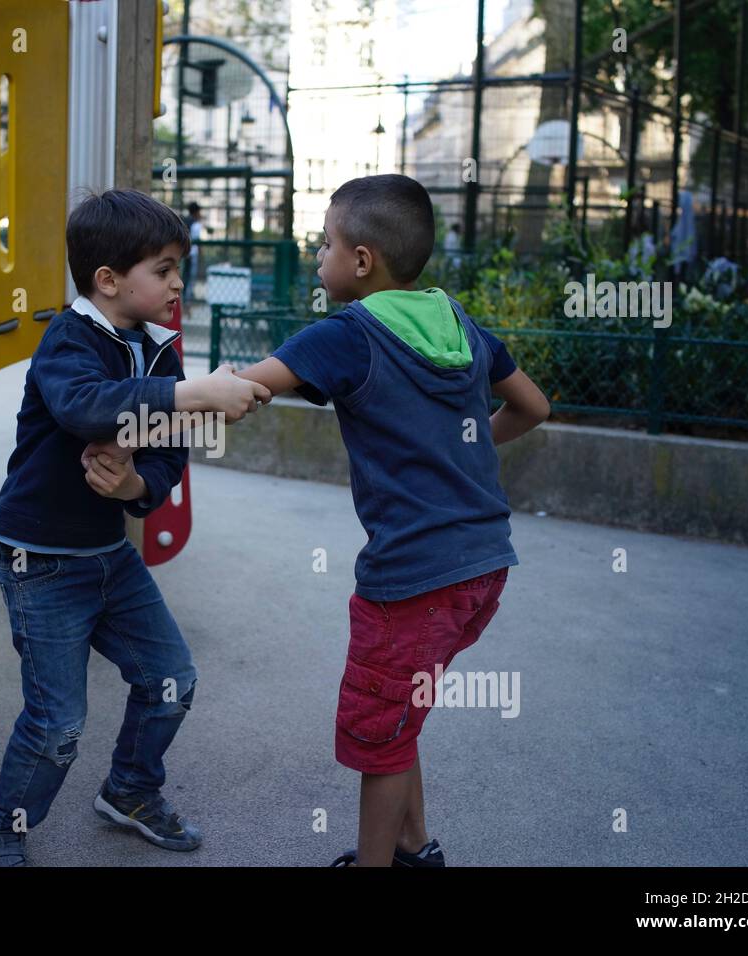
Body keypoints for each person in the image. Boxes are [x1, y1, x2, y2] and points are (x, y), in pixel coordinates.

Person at [234, 174, 549, 867]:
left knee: (379, 734)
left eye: (324, 243)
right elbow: (534, 407)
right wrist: (458, 447)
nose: (319, 256)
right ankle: (416, 847)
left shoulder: (348, 334)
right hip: (484, 571)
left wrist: (154, 410)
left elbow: (252, 385)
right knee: (404, 714)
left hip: (410, 583)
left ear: (362, 260)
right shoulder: (457, 321)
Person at [0, 188, 271, 867]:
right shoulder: (68, 339)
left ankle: (130, 789)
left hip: (108, 555)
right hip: (39, 560)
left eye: (178, 268)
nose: (176, 283)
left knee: (172, 679)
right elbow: (85, 406)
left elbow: (166, 452)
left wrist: (136, 486)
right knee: (58, 723)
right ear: (108, 280)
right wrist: (197, 394)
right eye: (163, 269)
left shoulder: (157, 349)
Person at [182, 202, 204, 303]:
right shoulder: (195, 224)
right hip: (192, 254)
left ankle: (185, 299)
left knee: (186, 276)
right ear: (196, 212)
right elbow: (197, 241)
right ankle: (187, 300)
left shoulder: (185, 221)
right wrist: (201, 255)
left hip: (185, 254)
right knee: (190, 277)